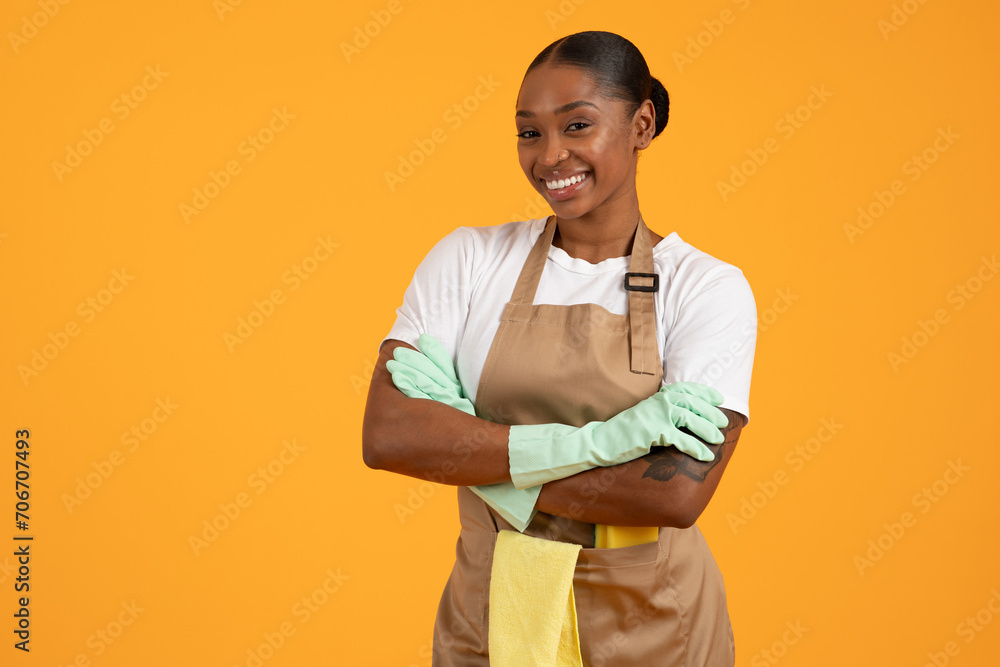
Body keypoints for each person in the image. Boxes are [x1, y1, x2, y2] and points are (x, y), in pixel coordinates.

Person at [362, 30, 756, 666]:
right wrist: (601, 445)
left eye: (577, 125)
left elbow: (674, 495)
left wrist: (475, 456)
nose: (550, 156)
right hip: (491, 608)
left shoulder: (705, 287)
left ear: (642, 124)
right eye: (529, 132)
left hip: (651, 619)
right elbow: (390, 437)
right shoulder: (469, 259)